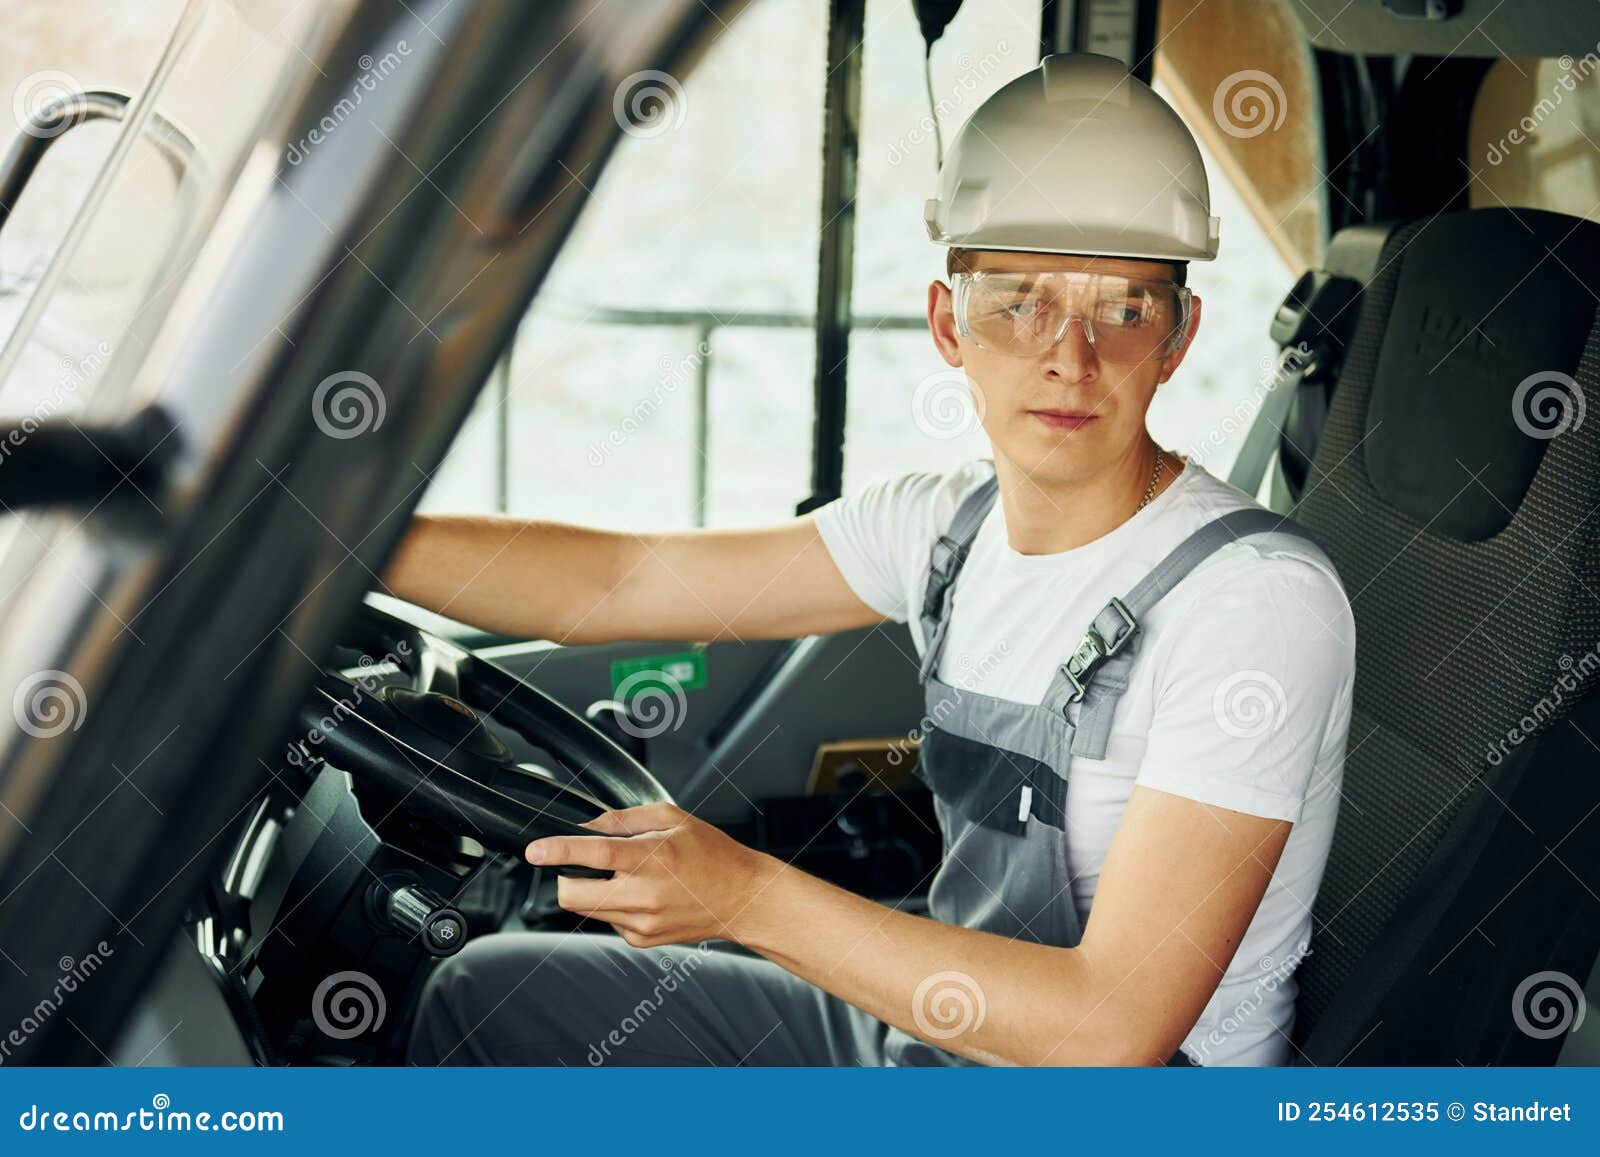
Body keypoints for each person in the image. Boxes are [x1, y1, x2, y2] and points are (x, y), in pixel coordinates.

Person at [392, 53, 1354, 1067]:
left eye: (1121, 307)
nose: (1069, 356)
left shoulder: (1253, 603)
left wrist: (747, 894)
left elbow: (1110, 1027)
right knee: (493, 995)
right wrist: (338, 552)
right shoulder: (943, 530)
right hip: (949, 1042)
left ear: (1178, 335)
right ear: (948, 324)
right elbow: (618, 580)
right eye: (1018, 300)